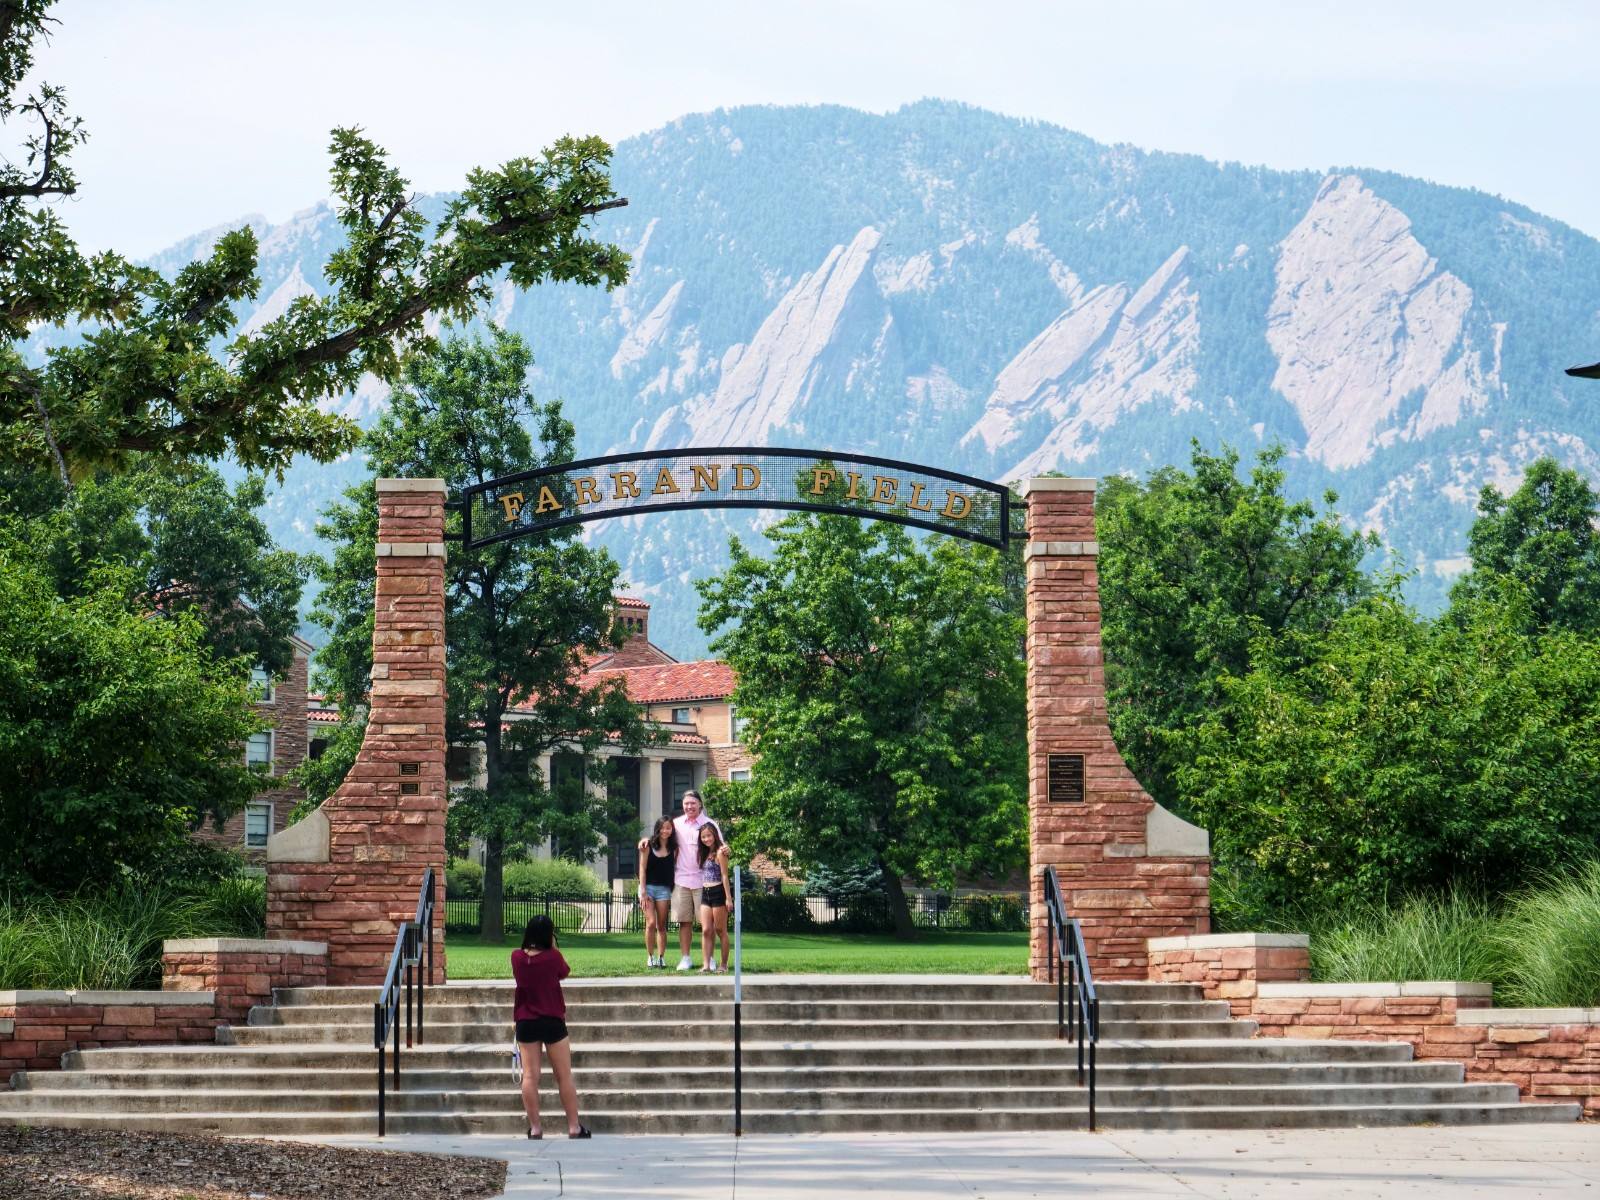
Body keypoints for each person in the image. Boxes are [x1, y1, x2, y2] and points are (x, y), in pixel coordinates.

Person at [511, 914, 590, 1139]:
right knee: (563, 1075)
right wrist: (552, 947)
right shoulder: (552, 957)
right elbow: (564, 972)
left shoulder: (516, 957)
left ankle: (535, 1128)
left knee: (530, 1076)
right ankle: (574, 1126)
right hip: (552, 1018)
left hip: (526, 1020)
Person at [640, 790, 720, 972]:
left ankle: (711, 959)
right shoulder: (676, 825)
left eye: (693, 803)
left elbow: (719, 846)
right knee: (684, 922)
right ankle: (686, 958)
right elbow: (661, 835)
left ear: (700, 804)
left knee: (707, 925)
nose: (689, 806)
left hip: (704, 881)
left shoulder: (709, 824)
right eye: (686, 804)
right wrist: (645, 839)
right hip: (681, 880)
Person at [638, 817, 676, 968]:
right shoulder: (648, 846)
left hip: (664, 890)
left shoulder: (674, 848)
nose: (665, 831)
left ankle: (661, 957)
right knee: (651, 923)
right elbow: (642, 868)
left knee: (661, 925)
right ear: (657, 829)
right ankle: (650, 956)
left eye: (668, 828)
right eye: (662, 828)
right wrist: (643, 891)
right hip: (648, 888)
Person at [697, 821, 732, 973]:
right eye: (703, 837)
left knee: (720, 930)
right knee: (705, 930)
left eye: (709, 836)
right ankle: (706, 965)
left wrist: (728, 898)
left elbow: (725, 876)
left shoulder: (720, 852)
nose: (706, 839)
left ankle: (723, 965)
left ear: (714, 835)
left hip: (718, 891)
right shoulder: (703, 853)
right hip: (705, 892)